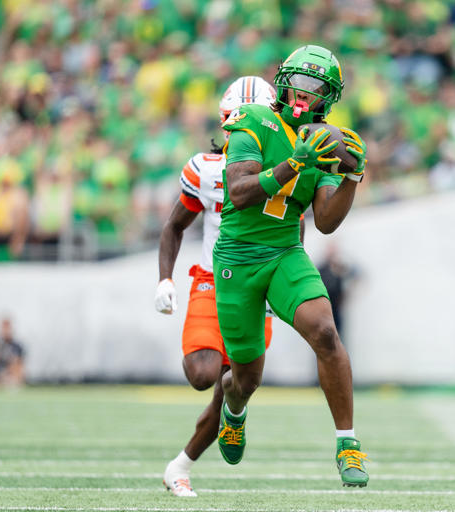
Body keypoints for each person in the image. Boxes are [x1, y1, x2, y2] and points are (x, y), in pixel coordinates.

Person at [213, 45, 369, 487]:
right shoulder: (253, 120)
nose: (304, 92)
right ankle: (234, 411)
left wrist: (352, 177)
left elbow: (326, 221)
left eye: (316, 87)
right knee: (246, 377)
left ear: (328, 98)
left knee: (325, 332)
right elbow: (240, 192)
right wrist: (294, 163)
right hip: (239, 256)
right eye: (299, 80)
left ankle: (348, 444)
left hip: (284, 251)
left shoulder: (326, 140)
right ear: (283, 81)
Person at [155, 76, 277, 497]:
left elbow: (295, 231)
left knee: (232, 392)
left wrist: (278, 287)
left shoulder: (282, 169)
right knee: (203, 374)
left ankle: (179, 467)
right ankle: (192, 453)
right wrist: (165, 278)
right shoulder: (206, 169)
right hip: (213, 280)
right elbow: (174, 225)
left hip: (257, 287)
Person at [317, 243, 358, 335]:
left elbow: (355, 275)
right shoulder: (321, 267)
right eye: (330, 250)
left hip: (337, 308)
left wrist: (348, 294)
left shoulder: (341, 265)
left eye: (333, 250)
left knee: (338, 335)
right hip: (324, 309)